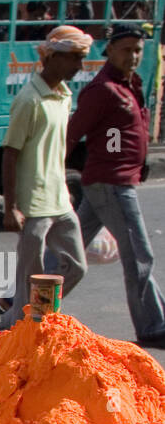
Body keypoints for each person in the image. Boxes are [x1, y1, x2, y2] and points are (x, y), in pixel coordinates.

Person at [66, 24, 165, 344]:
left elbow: (120, 134)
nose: (133, 56)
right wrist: (53, 177)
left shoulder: (129, 84)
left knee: (68, 252)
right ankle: (153, 326)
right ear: (109, 50)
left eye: (138, 50)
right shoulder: (103, 89)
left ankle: (20, 304)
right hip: (111, 183)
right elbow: (71, 133)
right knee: (140, 255)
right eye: (126, 49)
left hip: (112, 180)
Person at [0, 26, 92, 326]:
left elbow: (54, 149)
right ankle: (23, 330)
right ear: (51, 57)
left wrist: (63, 183)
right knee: (28, 278)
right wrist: (10, 206)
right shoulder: (29, 100)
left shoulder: (63, 96)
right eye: (74, 58)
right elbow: (10, 153)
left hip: (59, 200)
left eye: (81, 59)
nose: (79, 66)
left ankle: (31, 317)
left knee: (76, 266)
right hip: (33, 205)